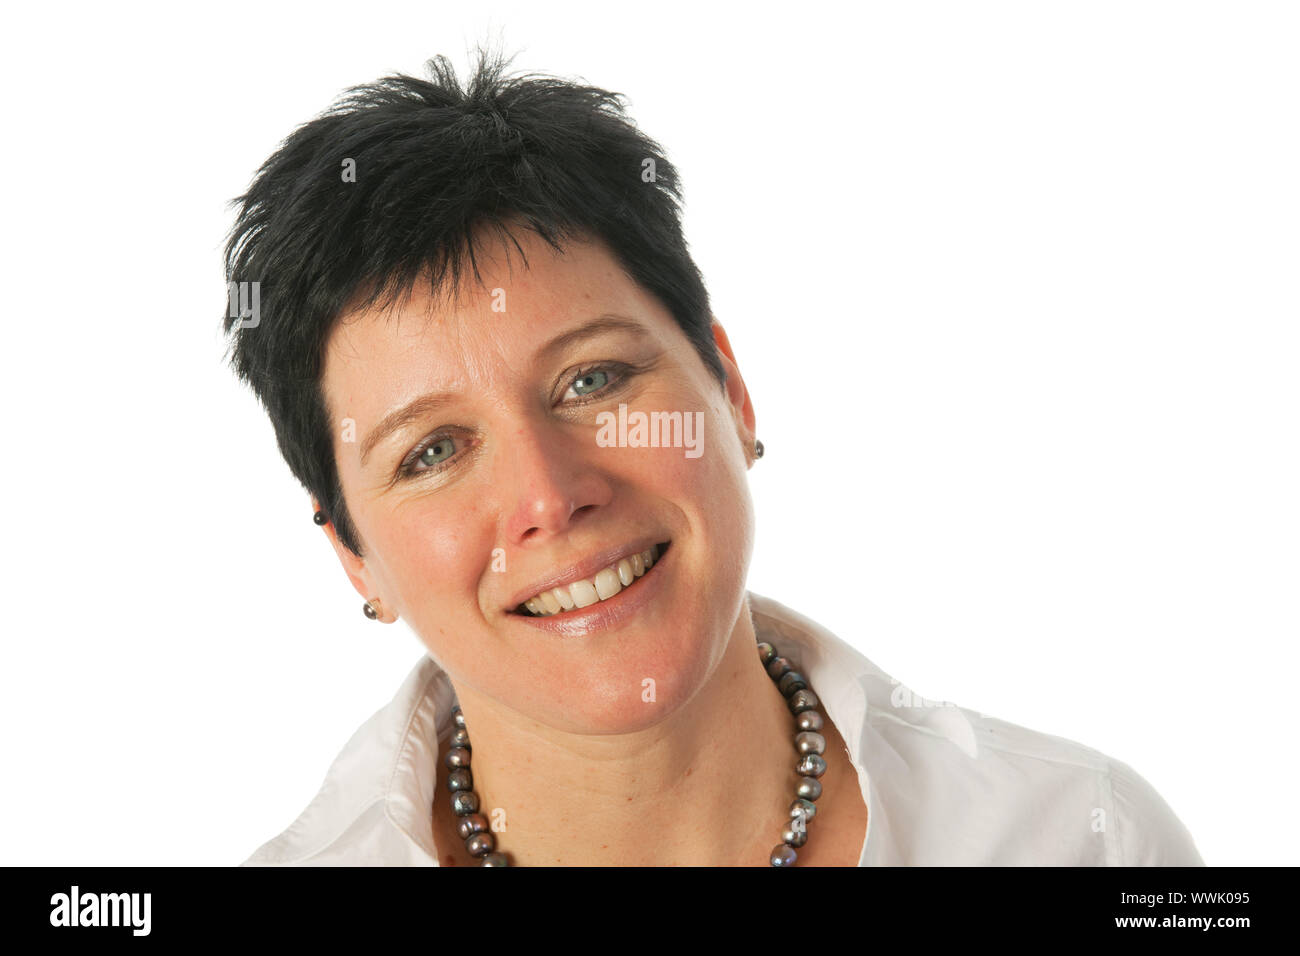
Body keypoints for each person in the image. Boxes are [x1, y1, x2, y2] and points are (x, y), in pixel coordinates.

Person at [225, 49, 1203, 866]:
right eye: (433, 450)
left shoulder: (1088, 839)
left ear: (729, 390)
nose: (550, 494)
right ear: (353, 552)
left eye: (593, 380)